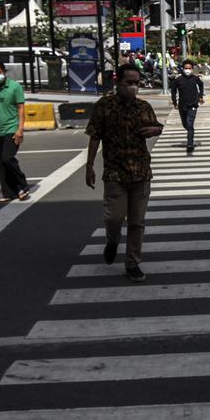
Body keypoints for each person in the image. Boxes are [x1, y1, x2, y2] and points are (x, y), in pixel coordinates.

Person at [86, 64, 162, 282]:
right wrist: (89, 166)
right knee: (114, 218)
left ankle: (132, 262)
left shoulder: (144, 107)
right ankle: (112, 240)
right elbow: (94, 135)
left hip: (141, 172)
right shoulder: (105, 106)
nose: (133, 88)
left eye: (137, 83)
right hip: (115, 173)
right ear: (118, 82)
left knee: (137, 222)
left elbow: (157, 126)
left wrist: (155, 130)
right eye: (129, 83)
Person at [0, 62, 30, 203]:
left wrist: (20, 129)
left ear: (4, 71)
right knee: (0, 162)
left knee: (8, 158)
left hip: (12, 128)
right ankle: (8, 191)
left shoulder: (15, 87)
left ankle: (22, 185)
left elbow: (21, 108)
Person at [170, 59, 205, 154]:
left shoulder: (195, 78)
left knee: (190, 124)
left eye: (189, 68)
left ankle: (190, 145)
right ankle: (190, 133)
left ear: (192, 69)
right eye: (186, 68)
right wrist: (174, 102)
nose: (188, 70)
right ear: (183, 69)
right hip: (182, 105)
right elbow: (173, 90)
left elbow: (201, 85)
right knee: (185, 124)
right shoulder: (178, 80)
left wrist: (200, 96)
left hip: (193, 104)